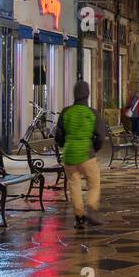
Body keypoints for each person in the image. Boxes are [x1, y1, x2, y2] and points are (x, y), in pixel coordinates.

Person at [55, 79, 109, 229]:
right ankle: (91, 207)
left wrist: (64, 145)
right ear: (87, 94)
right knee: (94, 182)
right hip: (87, 154)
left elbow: (59, 134)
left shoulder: (66, 112)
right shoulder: (92, 113)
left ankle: (79, 217)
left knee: (74, 185)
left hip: (70, 155)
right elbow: (100, 135)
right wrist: (95, 148)